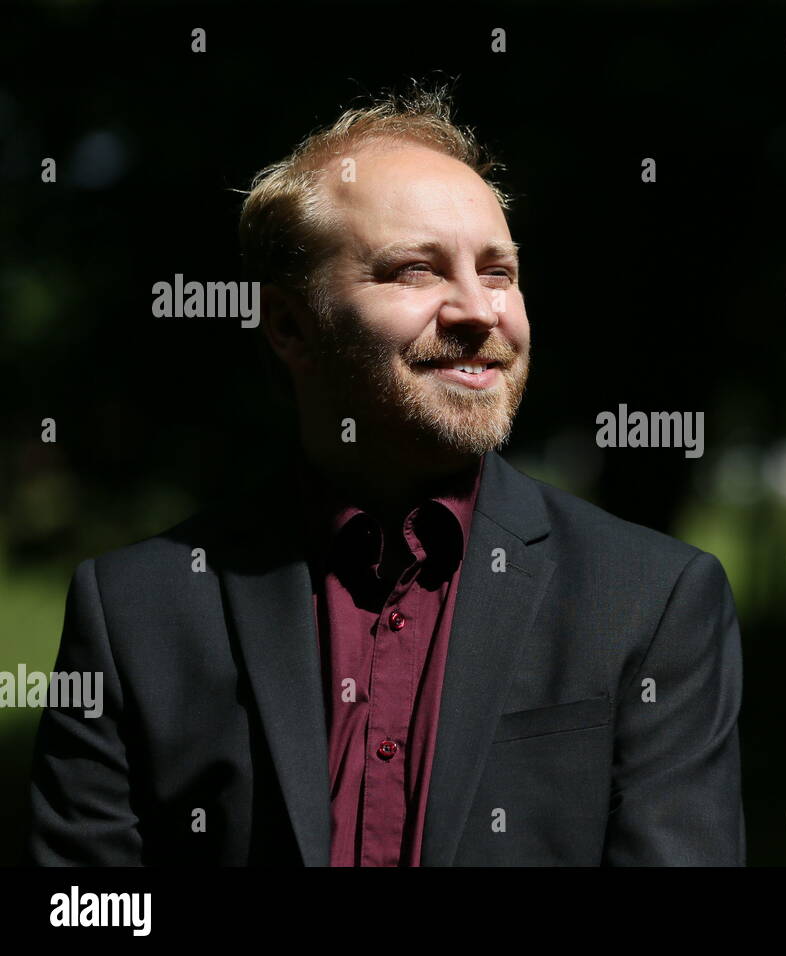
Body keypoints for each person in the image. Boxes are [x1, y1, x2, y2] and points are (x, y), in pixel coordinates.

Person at [26, 83, 745, 866]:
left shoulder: (651, 599)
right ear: (291, 327)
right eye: (415, 271)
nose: (479, 310)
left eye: (499, 272)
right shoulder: (135, 611)